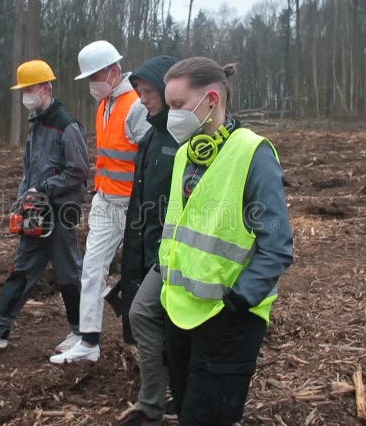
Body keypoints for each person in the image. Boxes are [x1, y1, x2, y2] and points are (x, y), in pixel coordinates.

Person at [158, 57, 294, 425]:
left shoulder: (254, 154)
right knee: (189, 410)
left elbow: (278, 244)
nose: (171, 115)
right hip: (181, 312)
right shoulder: (186, 152)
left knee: (210, 416)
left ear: (212, 99)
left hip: (229, 318)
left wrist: (240, 300)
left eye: (178, 105)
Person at [0, 60, 89, 354]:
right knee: (23, 267)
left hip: (59, 212)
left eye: (30, 89)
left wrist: (44, 188)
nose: (26, 95)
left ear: (46, 88)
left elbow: (79, 172)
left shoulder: (66, 126)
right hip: (36, 211)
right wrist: (22, 200)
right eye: (23, 90)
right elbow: (30, 170)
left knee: (69, 272)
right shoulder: (38, 125)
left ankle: (82, 332)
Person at [50, 40, 150, 364]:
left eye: (96, 75)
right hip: (106, 202)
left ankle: (150, 342)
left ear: (114, 71)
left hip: (133, 208)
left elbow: (150, 161)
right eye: (89, 77)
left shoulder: (136, 106)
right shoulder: (105, 104)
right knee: (91, 269)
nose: (93, 83)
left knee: (144, 273)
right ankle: (88, 342)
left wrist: (143, 207)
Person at [113, 55, 179, 426]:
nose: (142, 99)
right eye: (139, 92)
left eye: (149, 91)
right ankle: (158, 399)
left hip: (175, 253)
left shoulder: (183, 137)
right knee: (145, 316)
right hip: (152, 249)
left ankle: (163, 400)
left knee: (151, 317)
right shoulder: (153, 136)